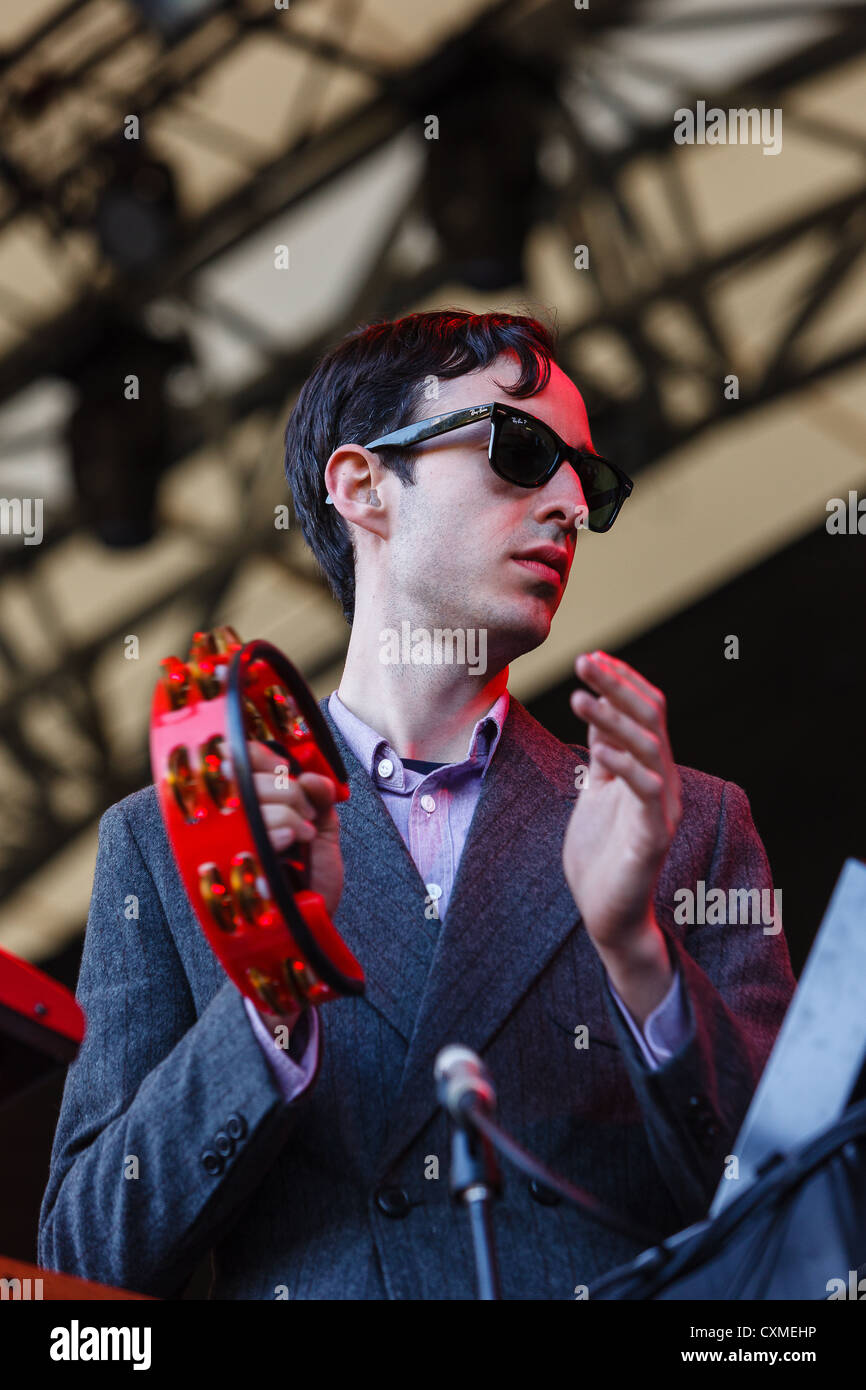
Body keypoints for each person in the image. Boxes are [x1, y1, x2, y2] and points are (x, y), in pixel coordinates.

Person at [39, 309, 795, 1299]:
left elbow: (788, 1206)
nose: (570, 502)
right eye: (522, 451)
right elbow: (82, 1259)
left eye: (591, 480)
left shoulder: (688, 823)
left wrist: (636, 954)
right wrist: (275, 984)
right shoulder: (167, 840)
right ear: (361, 487)